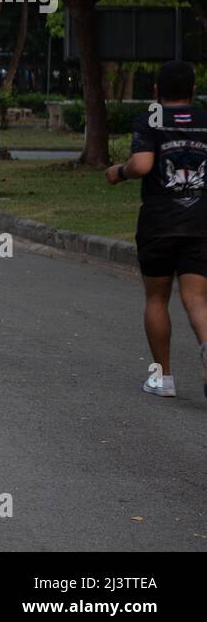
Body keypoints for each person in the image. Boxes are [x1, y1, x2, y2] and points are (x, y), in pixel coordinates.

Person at [107, 59, 207, 399]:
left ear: (156, 91)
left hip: (160, 223)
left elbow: (144, 164)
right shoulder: (205, 118)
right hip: (200, 221)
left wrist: (120, 171)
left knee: (156, 297)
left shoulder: (150, 119)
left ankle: (162, 378)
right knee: (196, 298)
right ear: (193, 90)